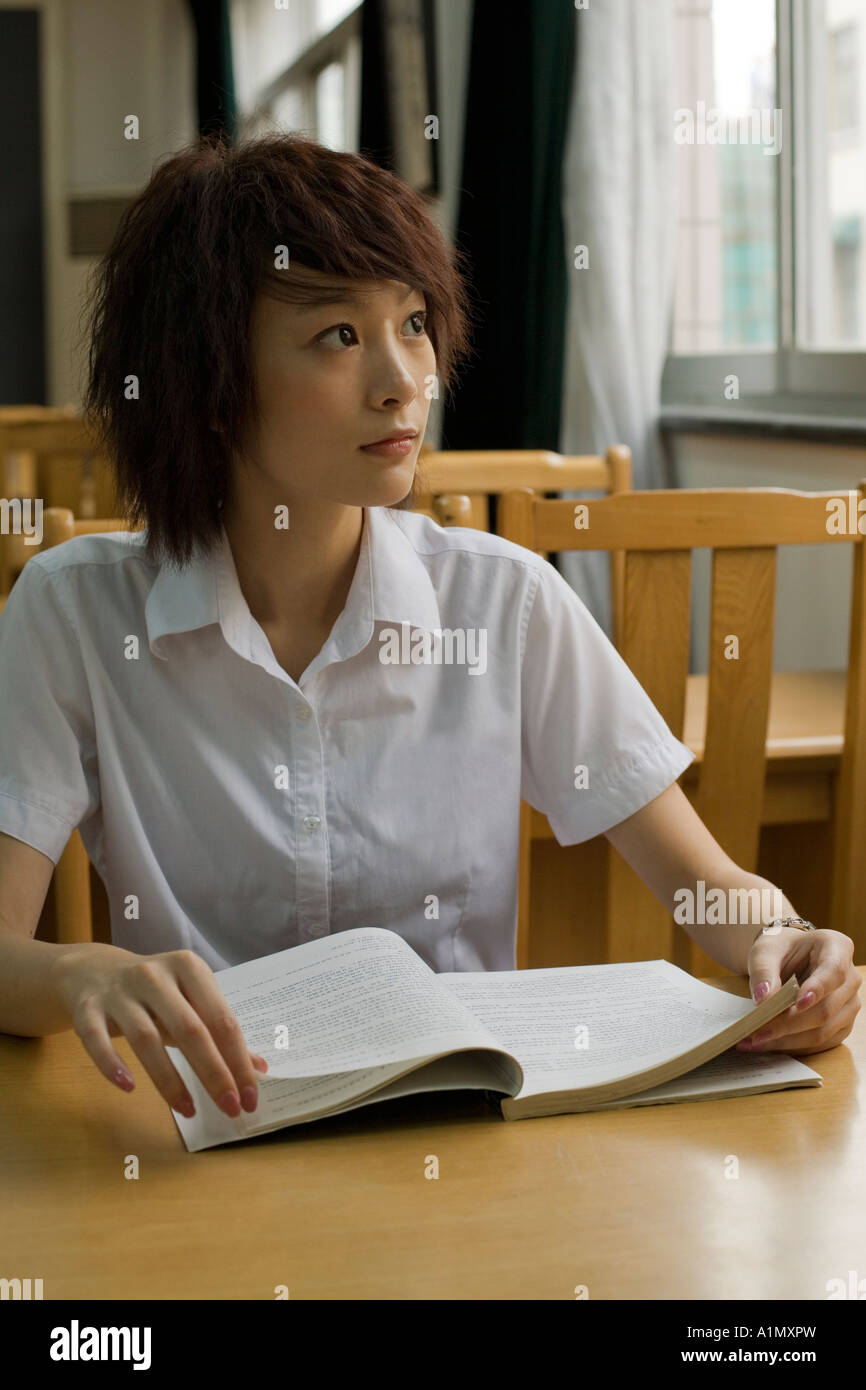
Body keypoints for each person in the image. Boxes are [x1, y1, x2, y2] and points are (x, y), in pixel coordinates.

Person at [0, 133, 859, 1130]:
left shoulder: (504, 601)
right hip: (208, 1144)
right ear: (206, 378)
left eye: (411, 323)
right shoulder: (72, 613)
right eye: (337, 335)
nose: (404, 379)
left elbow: (702, 883)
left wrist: (793, 942)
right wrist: (77, 975)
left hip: (467, 1137)